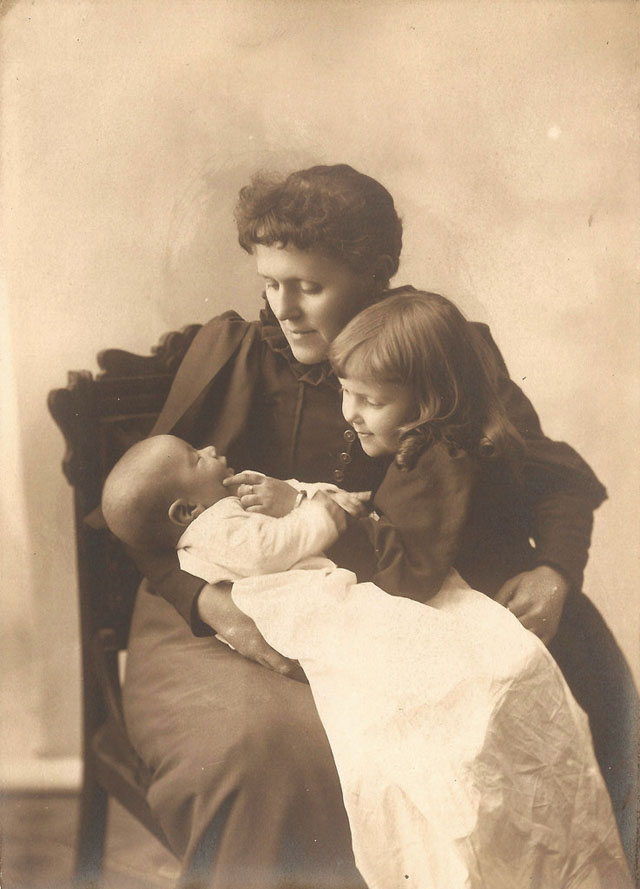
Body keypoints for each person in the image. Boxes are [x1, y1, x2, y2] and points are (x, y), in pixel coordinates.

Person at [119, 163, 637, 888]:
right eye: (271, 281)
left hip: (407, 593)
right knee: (266, 754)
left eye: (310, 286)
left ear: (376, 275)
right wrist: (210, 606)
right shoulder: (230, 353)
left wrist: (554, 570)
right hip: (225, 603)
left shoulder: (437, 346)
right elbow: (141, 521)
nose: (283, 309)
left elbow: (551, 480)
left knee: (573, 692)